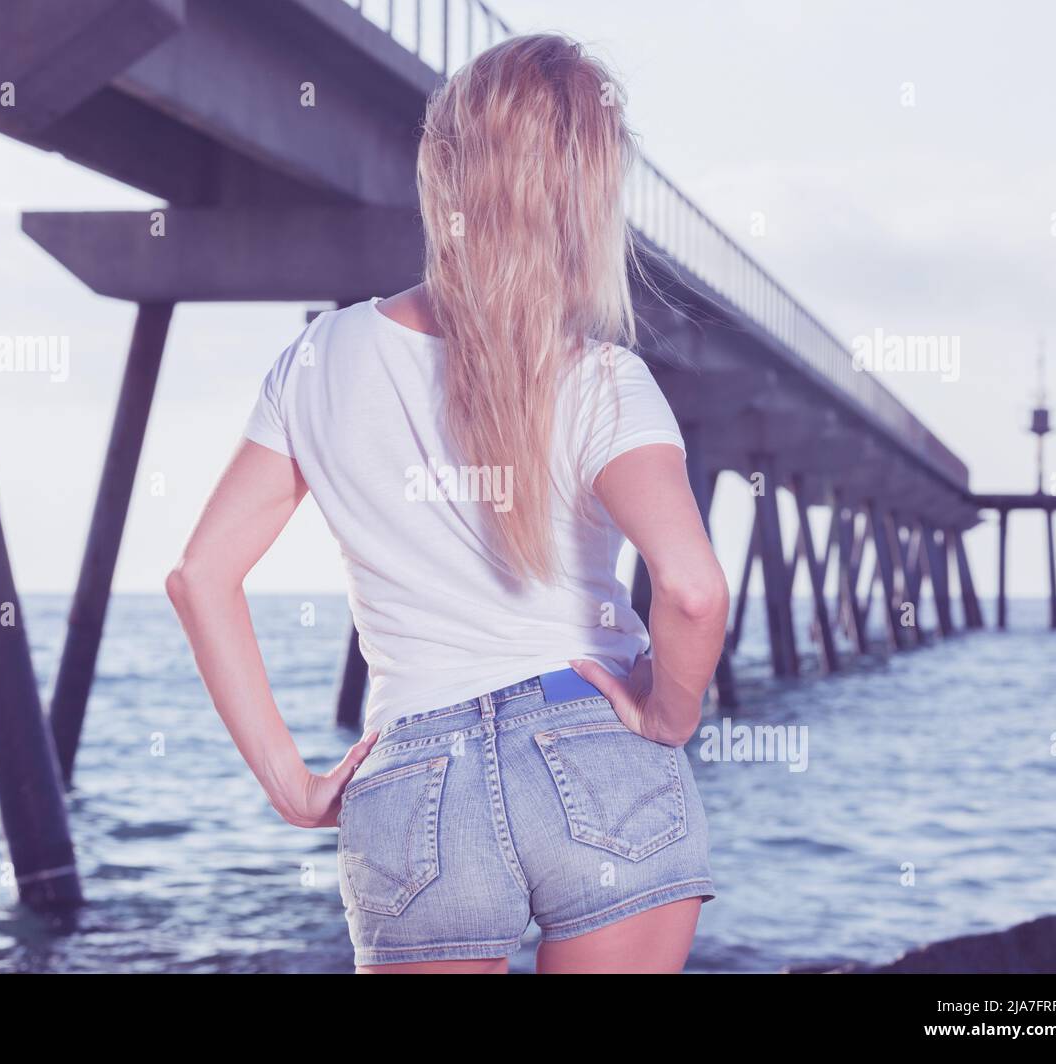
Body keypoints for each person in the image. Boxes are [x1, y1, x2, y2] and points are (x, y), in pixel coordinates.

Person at [166, 32, 729, 974]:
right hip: (596, 752)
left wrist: (293, 787)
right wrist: (670, 712)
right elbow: (694, 590)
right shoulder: (603, 380)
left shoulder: (320, 358)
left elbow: (199, 577)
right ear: (585, 197)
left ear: (441, 174)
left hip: (412, 782)